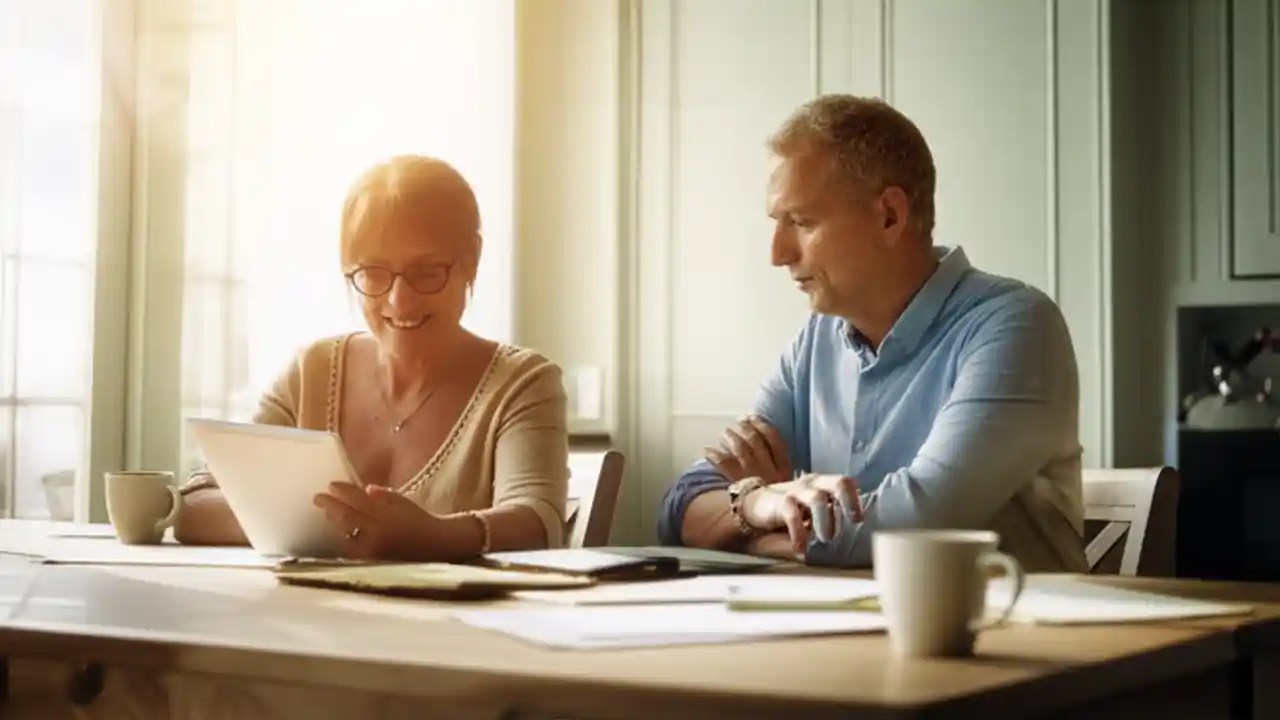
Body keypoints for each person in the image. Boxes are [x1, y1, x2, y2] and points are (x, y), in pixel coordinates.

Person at [657, 95, 1088, 572]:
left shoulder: (1015, 327)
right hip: (848, 632)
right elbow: (684, 503)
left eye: (801, 222)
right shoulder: (815, 342)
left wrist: (750, 536)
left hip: (1013, 636)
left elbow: (915, 526)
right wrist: (758, 505)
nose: (777, 254)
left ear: (890, 216)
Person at [175, 155, 569, 560]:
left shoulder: (522, 383)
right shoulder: (310, 372)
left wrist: (432, 535)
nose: (400, 300)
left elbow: (536, 523)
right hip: (306, 620)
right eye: (375, 273)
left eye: (427, 271)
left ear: (471, 262)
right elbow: (195, 505)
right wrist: (340, 526)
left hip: (451, 624)